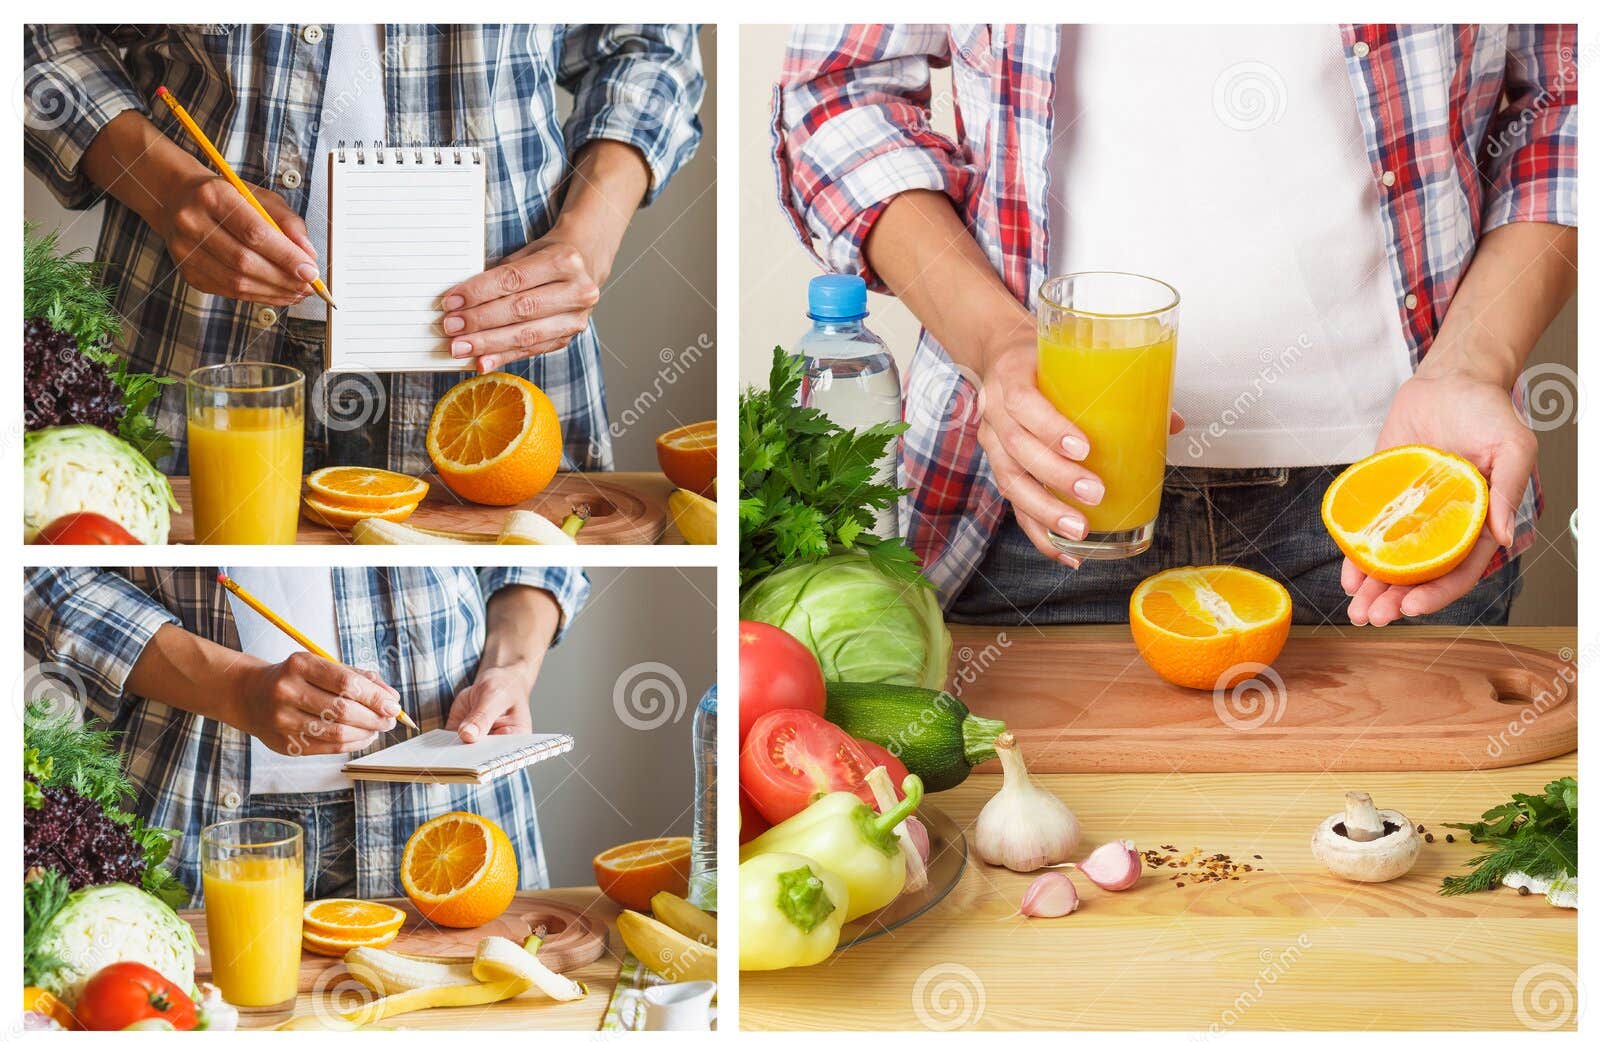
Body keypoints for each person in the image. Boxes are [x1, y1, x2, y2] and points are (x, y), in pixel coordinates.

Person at [775, 24, 1576, 626]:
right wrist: (1000, 346)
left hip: (1402, 505)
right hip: (1032, 512)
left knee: (1419, 840)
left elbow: (1570, 96)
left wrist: (1474, 360)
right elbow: (839, 93)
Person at [23, 23, 705, 473]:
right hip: (188, 344)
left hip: (496, 359)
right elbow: (34, 35)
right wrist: (166, 189)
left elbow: (654, 43)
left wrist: (588, 237)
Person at [24, 566, 587, 903]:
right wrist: (236, 689)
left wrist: (510, 665)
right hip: (176, 818)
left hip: (453, 815)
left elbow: (545, 523)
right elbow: (39, 568)